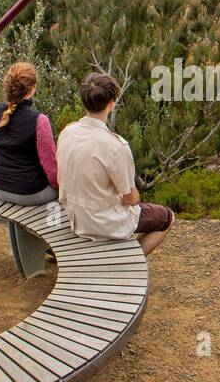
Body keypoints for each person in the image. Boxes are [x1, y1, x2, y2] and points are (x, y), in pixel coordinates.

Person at [56, 72, 174, 255]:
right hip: (103, 223)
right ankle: (132, 260)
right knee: (166, 217)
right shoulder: (116, 145)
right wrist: (134, 197)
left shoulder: (67, 133)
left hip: (76, 218)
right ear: (111, 103)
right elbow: (130, 198)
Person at [0, 62, 58, 205]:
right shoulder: (39, 120)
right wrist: (59, 187)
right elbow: (49, 166)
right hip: (32, 190)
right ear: (32, 89)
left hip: (0, 187)